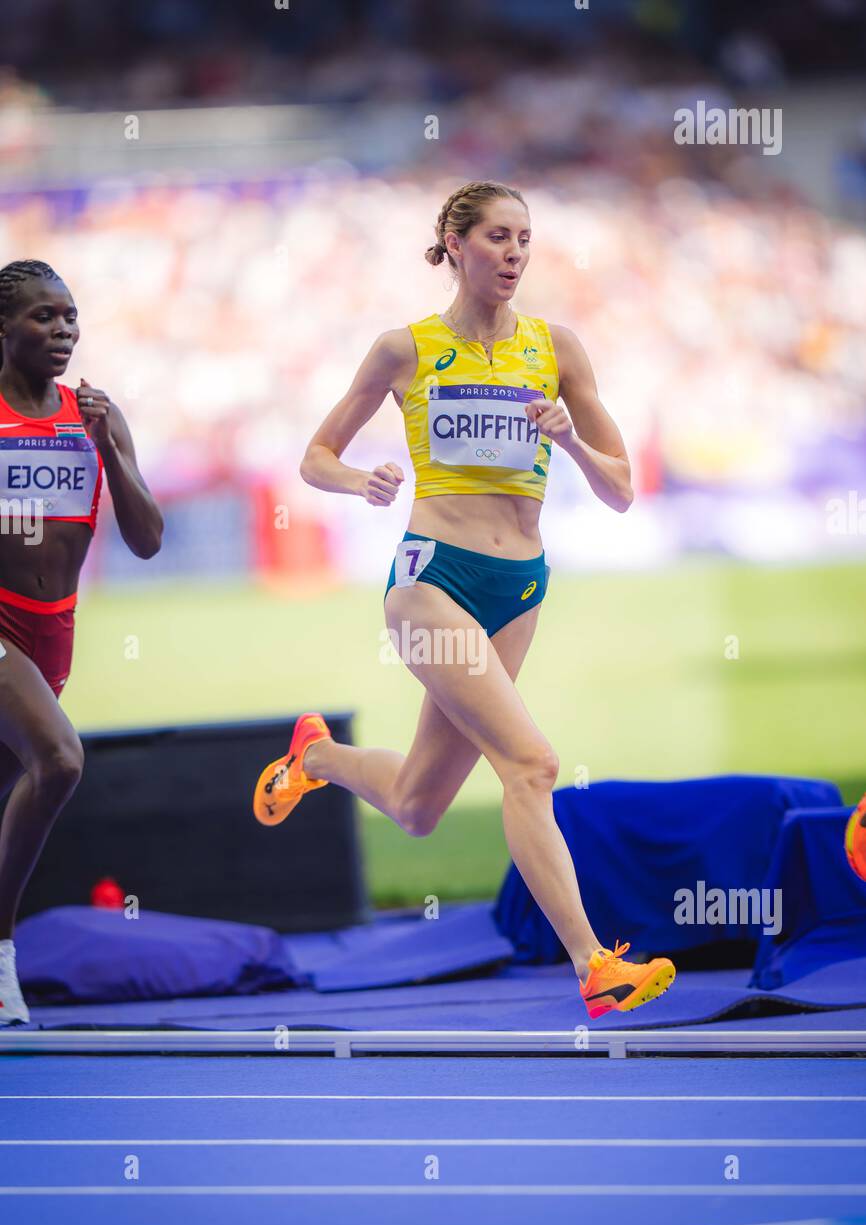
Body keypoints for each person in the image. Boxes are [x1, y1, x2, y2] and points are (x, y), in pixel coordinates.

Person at [253, 182, 675, 1018]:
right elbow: (314, 456)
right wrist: (358, 480)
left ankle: (317, 759)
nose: (515, 254)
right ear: (453, 242)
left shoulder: (558, 348)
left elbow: (623, 489)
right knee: (533, 763)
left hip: (520, 584)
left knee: (417, 806)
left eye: (526, 239)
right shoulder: (402, 349)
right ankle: (595, 966)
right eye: (497, 238)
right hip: (431, 580)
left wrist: (569, 440)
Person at [0, 259, 163, 1025]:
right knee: (60, 760)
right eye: (42, 317)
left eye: (69, 317)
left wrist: (110, 449)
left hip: (53, 628)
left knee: (15, 783)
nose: (62, 330)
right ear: (4, 328)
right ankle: (2, 955)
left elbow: (147, 540)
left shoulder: (92, 412)